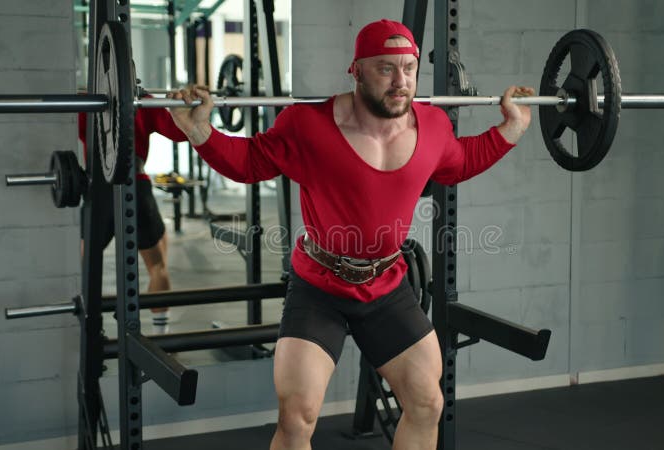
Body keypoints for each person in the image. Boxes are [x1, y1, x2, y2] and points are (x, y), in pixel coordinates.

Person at [168, 18, 533, 450]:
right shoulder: (306, 125)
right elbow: (250, 163)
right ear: (356, 70)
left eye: (408, 69)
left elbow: (461, 160)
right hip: (319, 289)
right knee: (297, 420)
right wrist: (198, 131)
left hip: (387, 287)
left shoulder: (433, 126)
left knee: (427, 403)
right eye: (385, 69)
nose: (401, 82)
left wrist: (512, 128)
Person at [78, 92, 189, 334]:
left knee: (84, 268)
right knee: (158, 266)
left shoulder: (86, 100)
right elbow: (180, 133)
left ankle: (89, 335)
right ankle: (162, 337)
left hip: (98, 189)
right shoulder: (141, 98)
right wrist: (191, 110)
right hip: (134, 185)